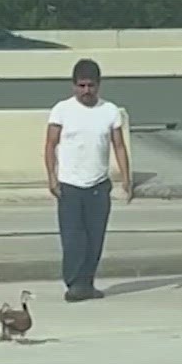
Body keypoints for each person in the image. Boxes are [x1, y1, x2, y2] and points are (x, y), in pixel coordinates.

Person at [44, 58, 131, 301]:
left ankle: (87, 283)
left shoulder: (110, 111)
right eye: (81, 86)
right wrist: (52, 178)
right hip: (70, 185)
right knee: (73, 238)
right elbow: (51, 145)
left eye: (90, 86)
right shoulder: (61, 110)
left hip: (98, 185)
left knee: (95, 238)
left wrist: (126, 178)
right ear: (73, 86)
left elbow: (119, 146)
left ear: (98, 85)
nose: (86, 91)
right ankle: (74, 284)